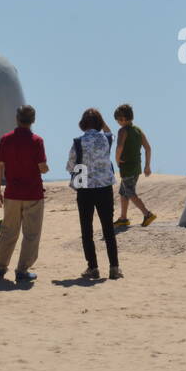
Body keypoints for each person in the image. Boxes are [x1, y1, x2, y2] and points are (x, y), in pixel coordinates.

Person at [0, 104, 48, 285]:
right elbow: (42, 167)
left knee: (8, 231)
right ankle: (22, 269)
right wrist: (45, 167)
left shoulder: (5, 139)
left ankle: (0, 268)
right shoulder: (37, 141)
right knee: (31, 233)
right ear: (33, 120)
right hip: (32, 193)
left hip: (12, 193)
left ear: (17, 119)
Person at [68, 108, 122, 280]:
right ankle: (114, 268)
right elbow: (109, 131)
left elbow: (71, 165)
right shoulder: (106, 139)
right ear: (99, 123)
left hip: (85, 188)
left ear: (83, 124)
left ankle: (93, 267)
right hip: (104, 186)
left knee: (87, 230)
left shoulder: (78, 142)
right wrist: (101, 120)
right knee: (108, 229)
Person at [113, 103, 155, 228]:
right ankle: (123, 218)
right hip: (137, 167)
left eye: (118, 120)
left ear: (123, 119)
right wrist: (147, 166)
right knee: (123, 192)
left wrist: (117, 159)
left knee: (130, 192)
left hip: (127, 167)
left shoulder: (122, 131)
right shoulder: (138, 130)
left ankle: (147, 214)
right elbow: (148, 148)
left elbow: (119, 147)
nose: (118, 122)